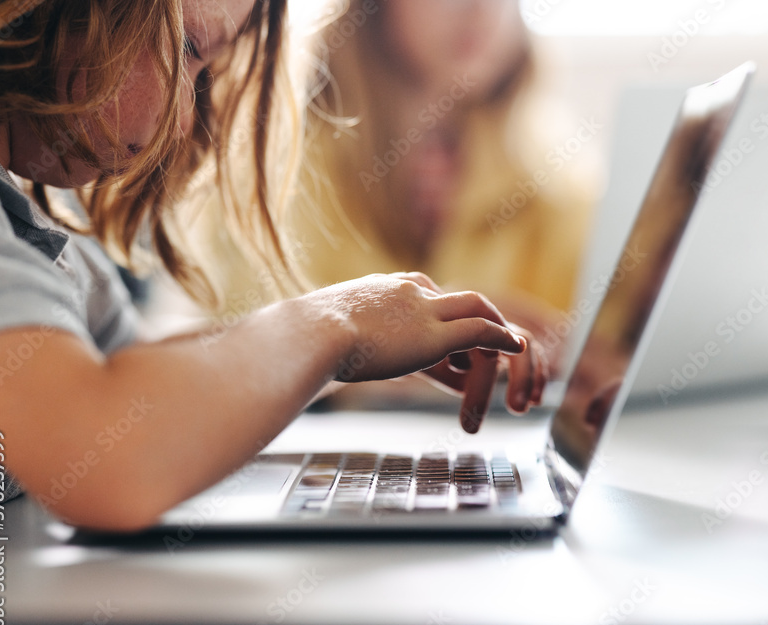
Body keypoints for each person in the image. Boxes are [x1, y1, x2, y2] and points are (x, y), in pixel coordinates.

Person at [0, 0, 546, 531]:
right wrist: (335, 325)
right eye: (191, 49)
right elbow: (108, 459)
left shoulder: (28, 230)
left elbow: (136, 378)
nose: (180, 125)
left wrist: (363, 340)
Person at [194, 0, 595, 363]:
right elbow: (246, 348)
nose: (483, 10)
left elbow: (598, 334)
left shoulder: (560, 184)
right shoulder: (270, 166)